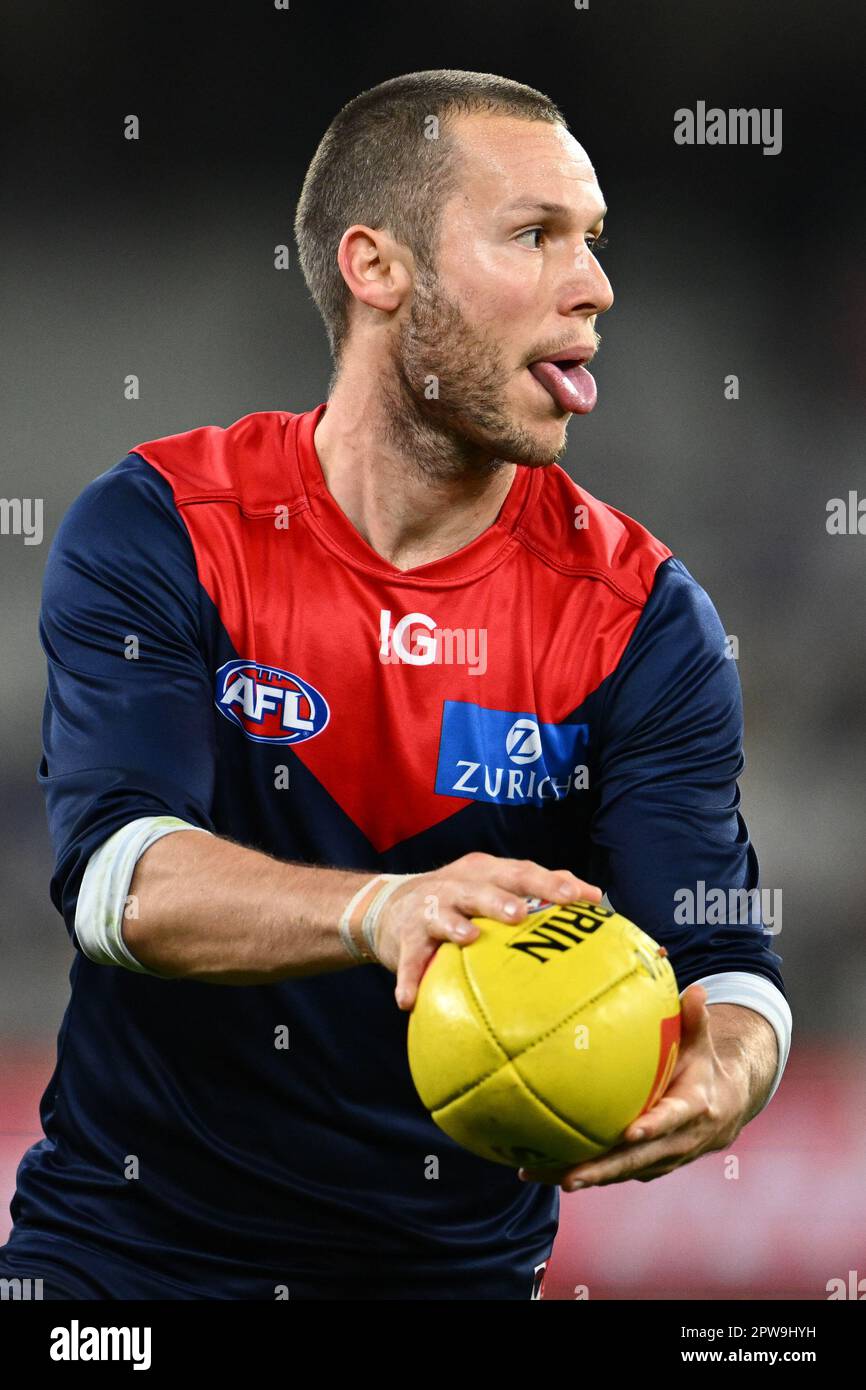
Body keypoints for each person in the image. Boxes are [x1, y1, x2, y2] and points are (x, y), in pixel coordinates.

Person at [0, 69, 790, 1301]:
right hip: (123, 1266)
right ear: (377, 269)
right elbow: (118, 881)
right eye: (534, 236)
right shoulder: (166, 525)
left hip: (452, 1282)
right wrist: (383, 909)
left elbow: (720, 957)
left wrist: (730, 1067)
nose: (594, 286)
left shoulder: (642, 616)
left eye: (592, 242)